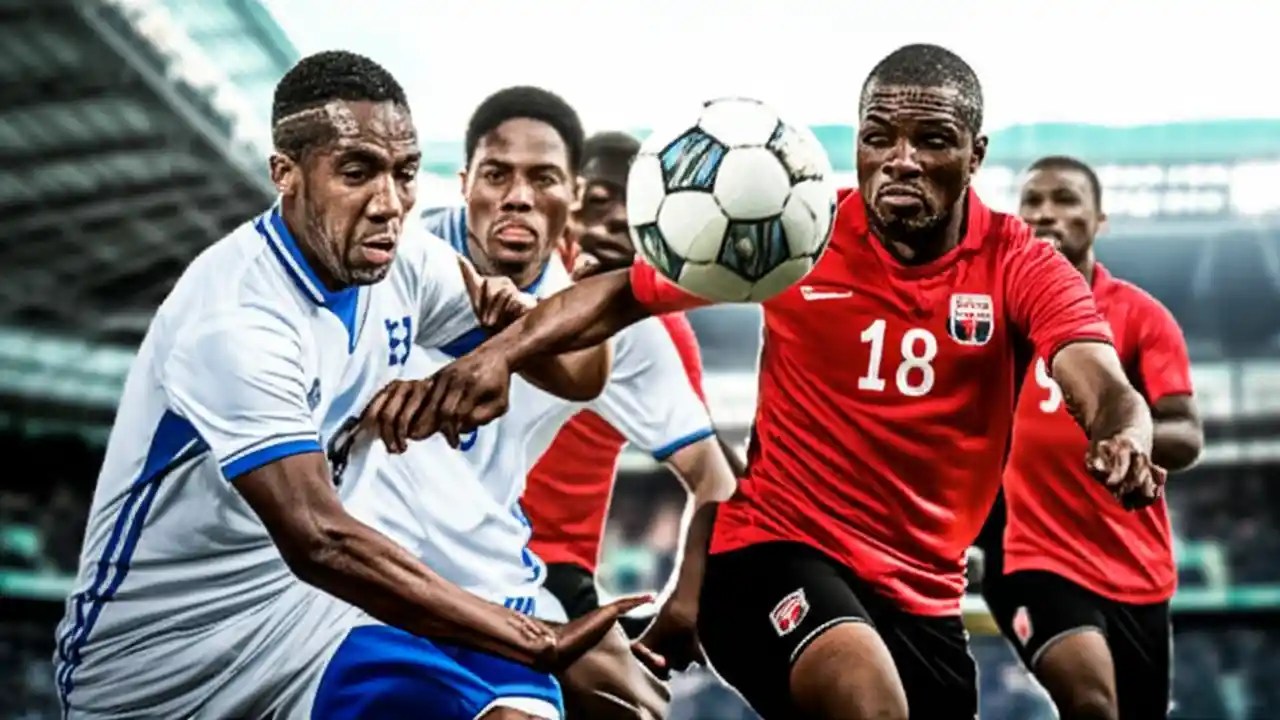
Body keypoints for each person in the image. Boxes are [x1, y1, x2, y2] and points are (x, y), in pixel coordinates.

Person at [365, 43, 1168, 720]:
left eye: (931, 141)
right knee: (867, 703)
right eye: (879, 137)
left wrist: (1123, 433)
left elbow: (1098, 377)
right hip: (774, 555)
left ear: (975, 155)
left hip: (924, 595)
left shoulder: (1018, 264)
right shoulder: (799, 229)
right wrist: (495, 357)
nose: (900, 161)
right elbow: (618, 296)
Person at [52, 51, 636, 720]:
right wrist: (536, 639)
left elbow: (576, 371)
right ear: (286, 174)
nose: (389, 204)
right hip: (157, 662)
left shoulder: (404, 262)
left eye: (404, 174)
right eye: (357, 173)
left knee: (513, 713)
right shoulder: (235, 318)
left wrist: (507, 349)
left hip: (302, 615)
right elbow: (319, 540)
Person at [410, 90, 737, 719]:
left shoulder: (645, 335)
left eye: (633, 211)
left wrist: (687, 599)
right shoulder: (412, 257)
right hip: (376, 545)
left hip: (533, 563)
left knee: (630, 705)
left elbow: (716, 475)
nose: (613, 222)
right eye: (600, 200)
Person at [976, 156, 1202, 720]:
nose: (1045, 213)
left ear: (1099, 219)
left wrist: (1130, 440)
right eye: (1032, 201)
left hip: (1134, 564)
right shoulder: (993, 315)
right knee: (1092, 703)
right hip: (1028, 554)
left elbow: (1186, 432)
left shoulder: (1141, 317)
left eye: (1065, 199)